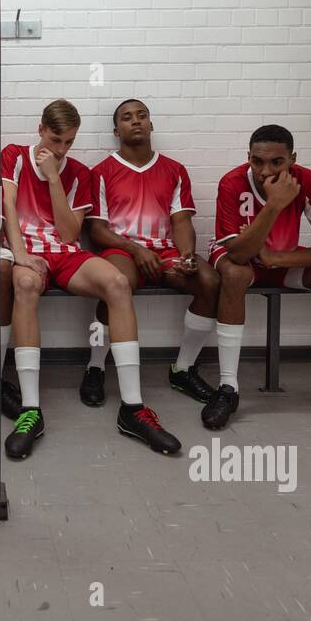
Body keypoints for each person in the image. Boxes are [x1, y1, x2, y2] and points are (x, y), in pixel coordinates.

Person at [2, 99, 180, 460]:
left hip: (62, 253)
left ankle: (132, 409)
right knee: (24, 286)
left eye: (69, 141)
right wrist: (19, 254)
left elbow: (69, 235)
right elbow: (6, 208)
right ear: (40, 130)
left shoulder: (79, 173)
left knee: (117, 283)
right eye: (55, 140)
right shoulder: (14, 156)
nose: (61, 148)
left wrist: (54, 176)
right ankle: (31, 411)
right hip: (24, 251)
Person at [203, 124, 311, 429]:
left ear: (292, 160)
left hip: (280, 259)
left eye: (276, 162)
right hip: (240, 259)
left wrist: (277, 258)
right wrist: (273, 204)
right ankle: (228, 388)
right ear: (248, 157)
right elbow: (238, 254)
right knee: (233, 274)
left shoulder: (308, 181)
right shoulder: (232, 182)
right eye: (257, 161)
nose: (264, 170)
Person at [82, 99, 220, 414]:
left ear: (151, 124)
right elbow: (97, 231)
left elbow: (181, 222)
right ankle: (95, 367)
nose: (136, 121)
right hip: (122, 249)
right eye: (127, 118)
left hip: (164, 251)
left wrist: (186, 254)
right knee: (115, 283)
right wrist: (136, 249)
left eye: (142, 116)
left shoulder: (174, 170)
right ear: (116, 130)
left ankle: (183, 369)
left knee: (209, 281)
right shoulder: (101, 171)